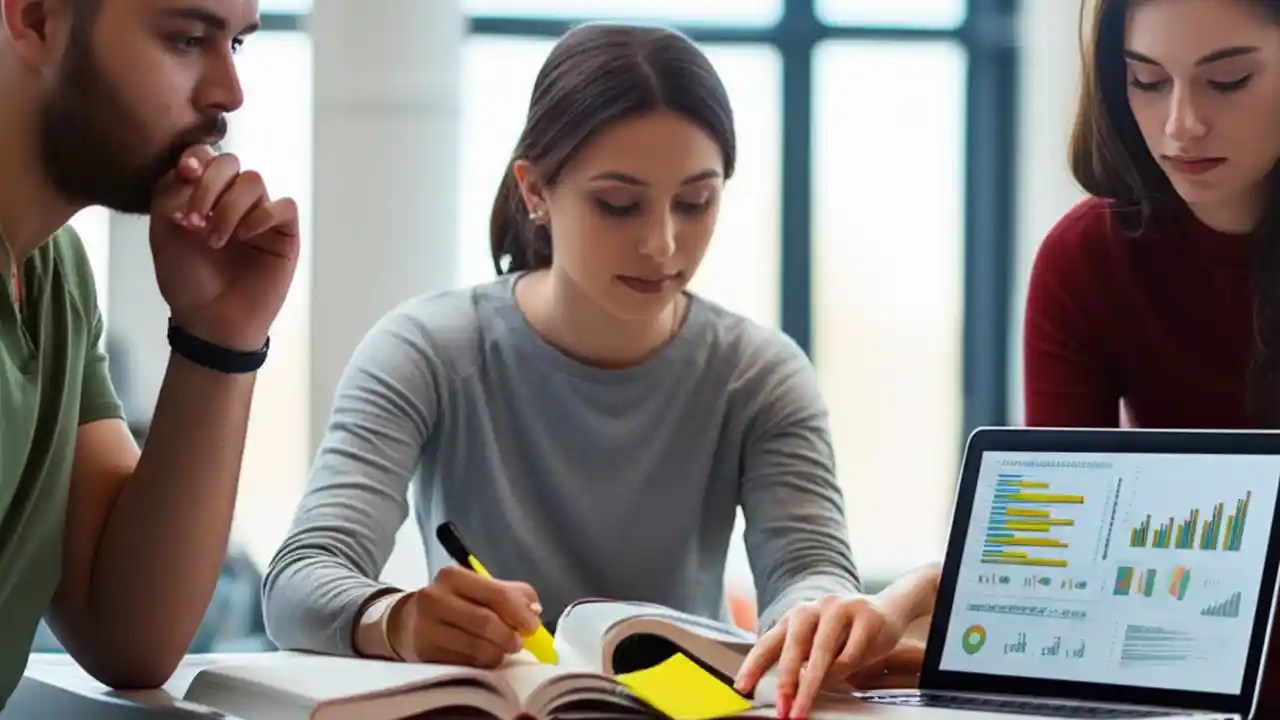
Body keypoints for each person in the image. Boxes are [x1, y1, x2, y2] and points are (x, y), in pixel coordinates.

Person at [263, 21, 936, 720]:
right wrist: (395, 620)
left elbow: (808, 572)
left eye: (696, 203)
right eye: (618, 205)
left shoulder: (758, 373)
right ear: (535, 190)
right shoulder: (428, 349)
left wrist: (816, 620)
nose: (663, 244)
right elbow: (301, 577)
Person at [0, 0, 299, 706]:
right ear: (37, 18)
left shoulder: (54, 274)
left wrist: (219, 337)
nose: (229, 93)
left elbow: (128, 633)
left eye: (236, 45)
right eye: (188, 39)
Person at [1023, 0, 1280, 707]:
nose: (1180, 124)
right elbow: (1065, 560)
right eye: (1147, 81)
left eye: (1227, 81)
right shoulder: (1088, 257)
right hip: (1179, 684)